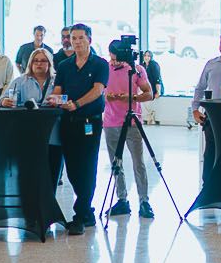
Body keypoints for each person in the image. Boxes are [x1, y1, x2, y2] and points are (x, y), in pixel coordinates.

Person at [49, 24, 110, 235]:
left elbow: (97, 91)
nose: (76, 41)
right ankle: (87, 213)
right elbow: (58, 91)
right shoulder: (65, 66)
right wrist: (55, 100)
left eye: (80, 38)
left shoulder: (101, 64)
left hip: (90, 123)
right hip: (68, 122)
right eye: (72, 38)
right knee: (73, 169)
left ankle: (80, 214)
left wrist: (76, 104)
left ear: (89, 40)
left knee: (87, 166)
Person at [103, 40, 156, 219]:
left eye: (119, 58)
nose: (116, 62)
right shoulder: (104, 69)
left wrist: (132, 97)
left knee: (138, 162)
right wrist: (106, 96)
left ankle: (144, 200)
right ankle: (122, 199)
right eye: (113, 57)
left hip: (132, 122)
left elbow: (149, 94)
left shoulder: (137, 69)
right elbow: (96, 91)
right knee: (115, 164)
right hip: (111, 122)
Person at [192, 31, 221, 125]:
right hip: (211, 112)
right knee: (211, 139)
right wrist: (195, 110)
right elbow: (200, 87)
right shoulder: (211, 64)